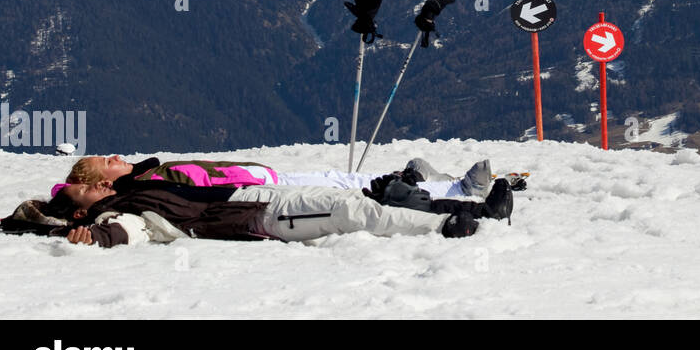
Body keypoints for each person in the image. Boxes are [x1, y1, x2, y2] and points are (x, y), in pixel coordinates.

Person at [40, 167, 513, 247]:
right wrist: (97, 236)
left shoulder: (128, 190)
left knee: (356, 199)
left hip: (255, 198)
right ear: (81, 211)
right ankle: (449, 225)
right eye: (88, 192)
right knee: (355, 214)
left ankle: (478, 210)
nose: (99, 188)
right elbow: (129, 231)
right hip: (259, 218)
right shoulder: (116, 214)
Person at [60, 154, 490, 201]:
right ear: (106, 181)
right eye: (107, 162)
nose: (116, 157)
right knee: (349, 190)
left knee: (338, 177)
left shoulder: (148, 171)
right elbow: (63, 196)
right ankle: (457, 192)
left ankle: (420, 180)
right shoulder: (145, 185)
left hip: (266, 175)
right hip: (257, 189)